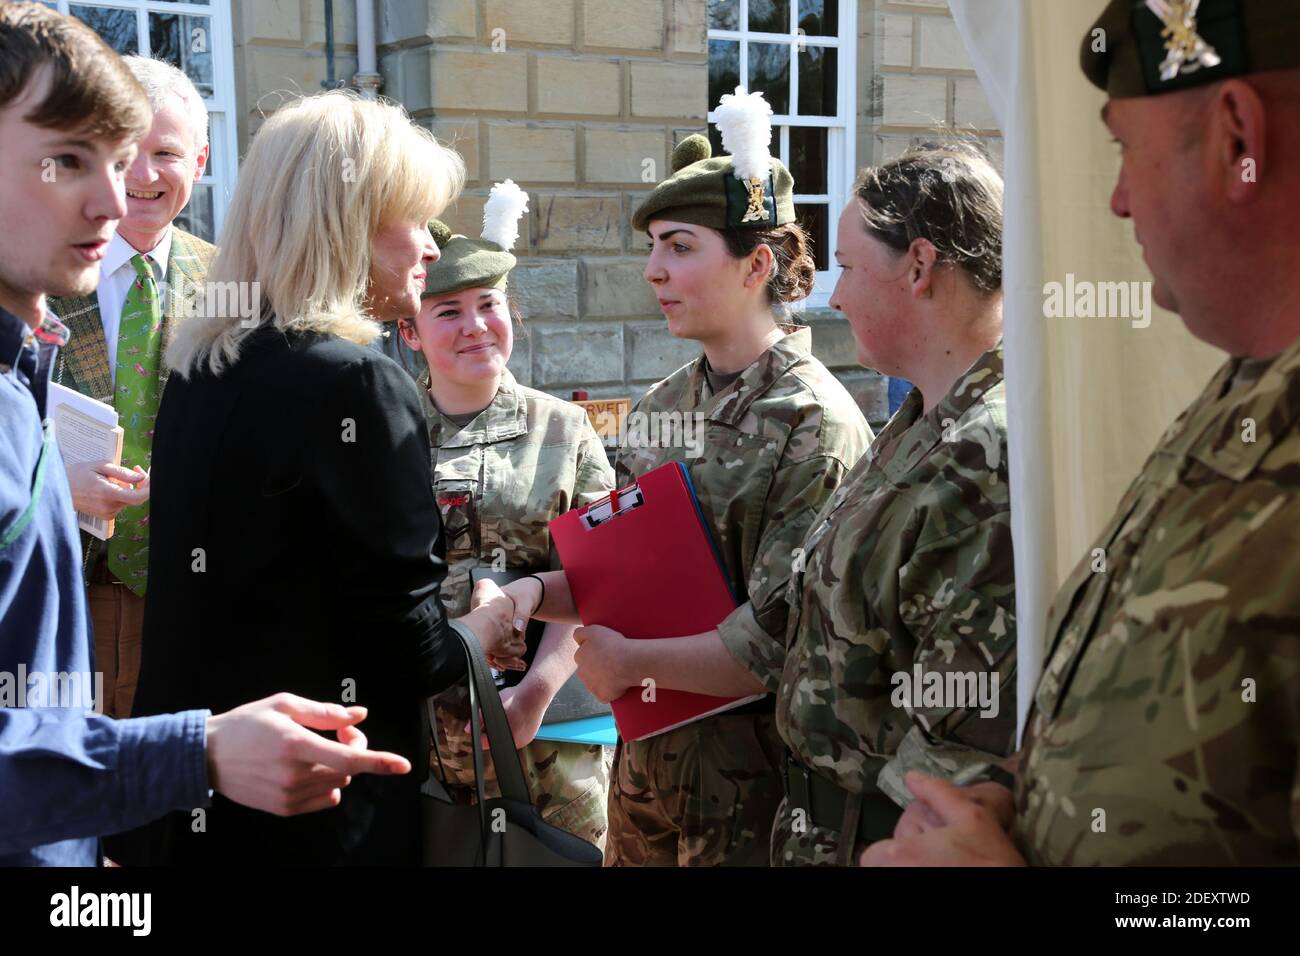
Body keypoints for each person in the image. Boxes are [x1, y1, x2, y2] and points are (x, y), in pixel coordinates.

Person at [863, 0, 1300, 867]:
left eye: (1125, 150)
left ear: (1237, 140)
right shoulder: (1241, 389)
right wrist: (1025, 799)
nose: (1119, 198)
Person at [0, 1, 412, 868]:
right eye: (71, 159)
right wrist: (191, 755)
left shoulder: (206, 286)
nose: (117, 197)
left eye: (135, 158)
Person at [113, 90, 525, 866]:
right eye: (413, 220)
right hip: (319, 811)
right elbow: (407, 646)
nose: (431, 247)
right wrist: (490, 623)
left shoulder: (200, 367)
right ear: (349, 224)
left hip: (191, 798)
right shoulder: (355, 385)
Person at [498, 88, 873, 866]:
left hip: (750, 798)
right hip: (645, 783)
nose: (653, 271)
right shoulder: (664, 404)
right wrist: (533, 594)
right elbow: (618, 581)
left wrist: (631, 664)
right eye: (653, 249)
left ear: (757, 263)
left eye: (678, 246)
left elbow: (780, 641)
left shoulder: (816, 424)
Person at [766, 143, 1017, 866]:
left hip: (884, 839)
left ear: (918, 265)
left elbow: (958, 753)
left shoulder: (983, 453)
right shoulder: (920, 424)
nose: (835, 296)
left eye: (847, 264)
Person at [396, 181, 618, 849]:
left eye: (488, 305)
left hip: (550, 741)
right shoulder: (384, 429)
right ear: (409, 332)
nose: (474, 326)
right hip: (421, 742)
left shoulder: (565, 429)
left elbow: (600, 576)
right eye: (447, 312)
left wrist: (535, 696)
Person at [47, 54, 214, 720]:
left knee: (170, 805)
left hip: (189, 602)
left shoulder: (243, 288)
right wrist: (53, 484)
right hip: (54, 601)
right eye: (125, 153)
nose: (144, 176)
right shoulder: (33, 272)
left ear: (199, 163)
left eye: (166, 153)